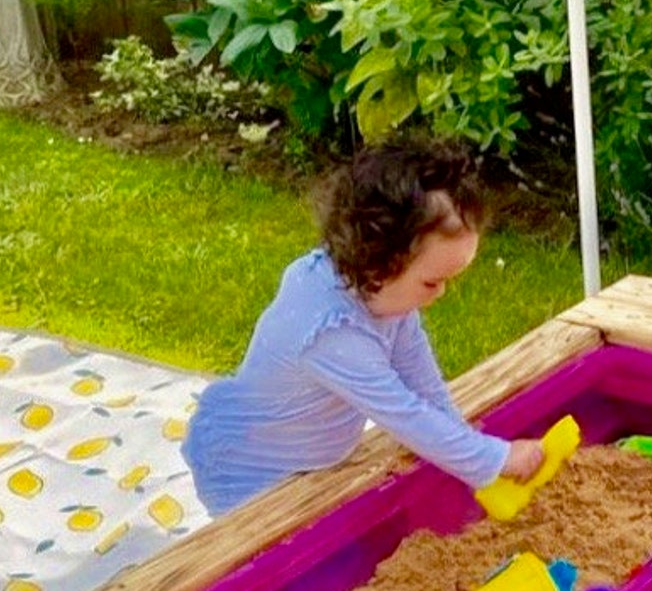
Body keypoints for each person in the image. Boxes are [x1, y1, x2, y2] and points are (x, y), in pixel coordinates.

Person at [182, 136, 545, 516]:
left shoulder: (386, 295)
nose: (440, 294)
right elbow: (404, 414)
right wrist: (494, 460)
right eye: (433, 281)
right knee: (271, 565)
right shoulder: (327, 330)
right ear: (380, 261)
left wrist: (470, 446)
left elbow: (424, 385)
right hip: (253, 471)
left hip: (314, 463)